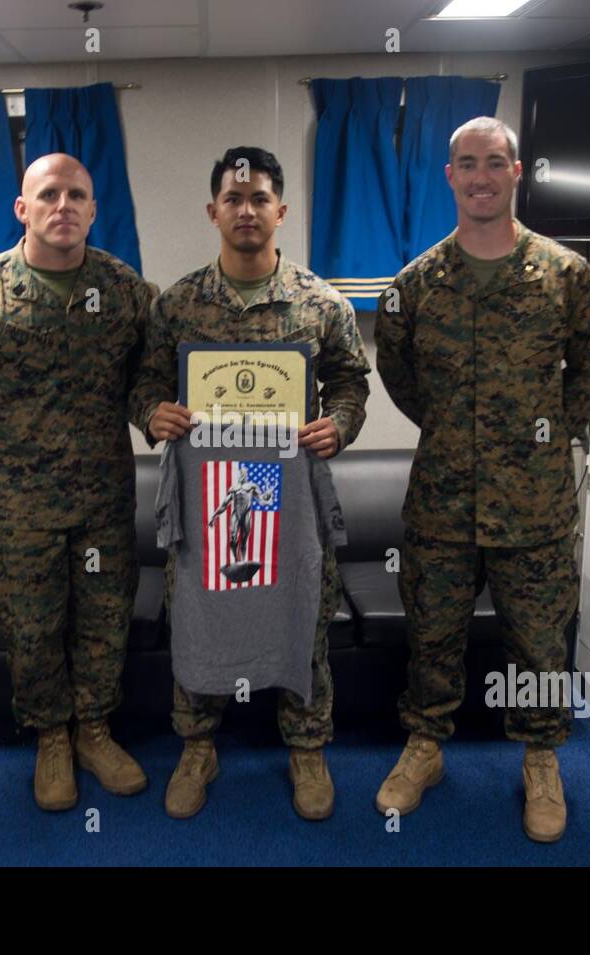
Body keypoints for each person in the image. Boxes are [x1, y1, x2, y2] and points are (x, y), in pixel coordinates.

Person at [373, 117, 590, 841]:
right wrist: (455, 432)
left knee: (540, 644)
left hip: (535, 506)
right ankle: (425, 747)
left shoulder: (569, 276)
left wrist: (546, 436)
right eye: (467, 162)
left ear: (517, 172)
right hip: (443, 501)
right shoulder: (414, 284)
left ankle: (541, 757)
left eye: (495, 162)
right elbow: (399, 376)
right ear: (449, 175)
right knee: (433, 637)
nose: (481, 175)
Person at [131, 146, 370, 820]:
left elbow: (351, 381)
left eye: (259, 198)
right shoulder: (177, 304)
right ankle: (197, 744)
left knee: (303, 609)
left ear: (280, 210)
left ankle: (306, 746)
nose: (246, 210)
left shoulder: (320, 303)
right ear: (213, 212)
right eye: (233, 200)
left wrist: (340, 424)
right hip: (206, 497)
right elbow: (143, 383)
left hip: (289, 498)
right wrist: (152, 412)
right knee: (198, 613)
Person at [0, 153, 157, 812]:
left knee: (104, 621)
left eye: (77, 194)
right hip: (18, 504)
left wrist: (151, 414)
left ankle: (95, 732)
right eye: (48, 194)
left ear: (92, 208)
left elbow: (148, 378)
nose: (63, 205)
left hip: (103, 499)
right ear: (23, 209)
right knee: (32, 628)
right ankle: (52, 738)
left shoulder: (125, 290)